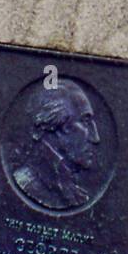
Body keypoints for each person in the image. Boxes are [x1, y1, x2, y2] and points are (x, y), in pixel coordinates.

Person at [10, 81, 101, 210]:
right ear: (58, 125)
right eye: (85, 121)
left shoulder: (73, 190)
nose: (96, 138)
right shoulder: (27, 182)